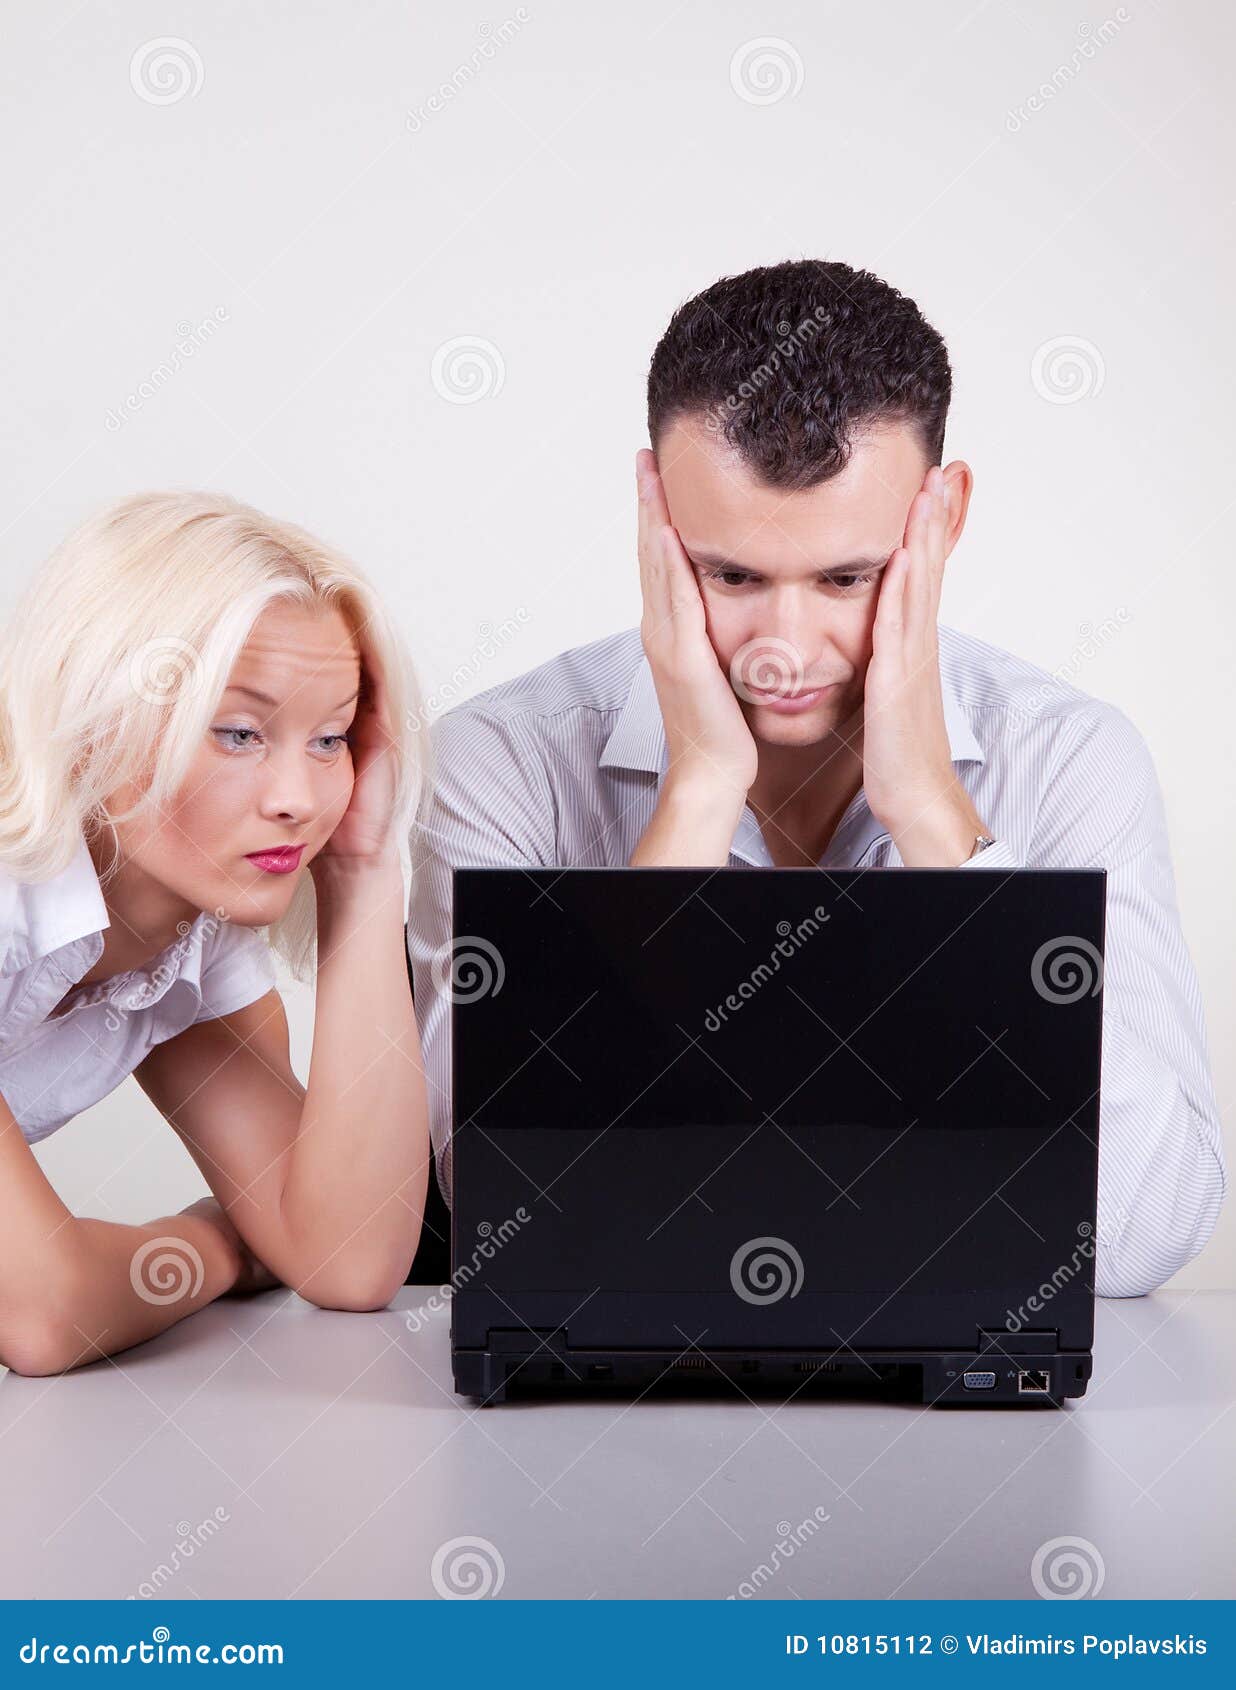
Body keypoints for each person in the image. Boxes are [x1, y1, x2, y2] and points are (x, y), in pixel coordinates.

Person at [408, 258, 1225, 1300]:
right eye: (732, 575)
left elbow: (1143, 1230)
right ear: (655, 520)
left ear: (946, 515)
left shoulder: (1068, 757)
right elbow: (517, 1217)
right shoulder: (502, 762)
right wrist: (698, 791)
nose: (784, 648)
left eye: (846, 578)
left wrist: (937, 821)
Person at [0, 491, 432, 1376]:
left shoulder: (188, 944)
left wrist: (362, 875)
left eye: (331, 739)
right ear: (93, 721)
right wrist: (211, 1244)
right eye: (239, 733)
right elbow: (42, 1314)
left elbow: (349, 1261)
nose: (300, 799)